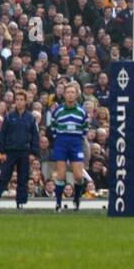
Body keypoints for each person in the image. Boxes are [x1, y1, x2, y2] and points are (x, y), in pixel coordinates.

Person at [0, 91, 41, 208]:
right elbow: (2, 135)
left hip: (24, 152)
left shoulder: (30, 118)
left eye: (21, 99)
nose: (19, 102)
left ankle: (21, 202)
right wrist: (1, 152)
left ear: (26, 101)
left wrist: (33, 153)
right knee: (4, 177)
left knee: (23, 178)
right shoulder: (9, 116)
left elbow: (35, 136)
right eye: (17, 99)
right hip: (10, 151)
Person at [48, 83, 91, 211]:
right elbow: (54, 127)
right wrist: (60, 138)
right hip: (61, 142)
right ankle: (58, 203)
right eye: (68, 92)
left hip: (76, 142)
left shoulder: (81, 111)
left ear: (77, 95)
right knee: (61, 175)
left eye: (73, 92)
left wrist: (76, 138)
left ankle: (76, 199)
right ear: (64, 95)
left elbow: (85, 130)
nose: (70, 94)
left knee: (78, 176)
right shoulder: (59, 111)